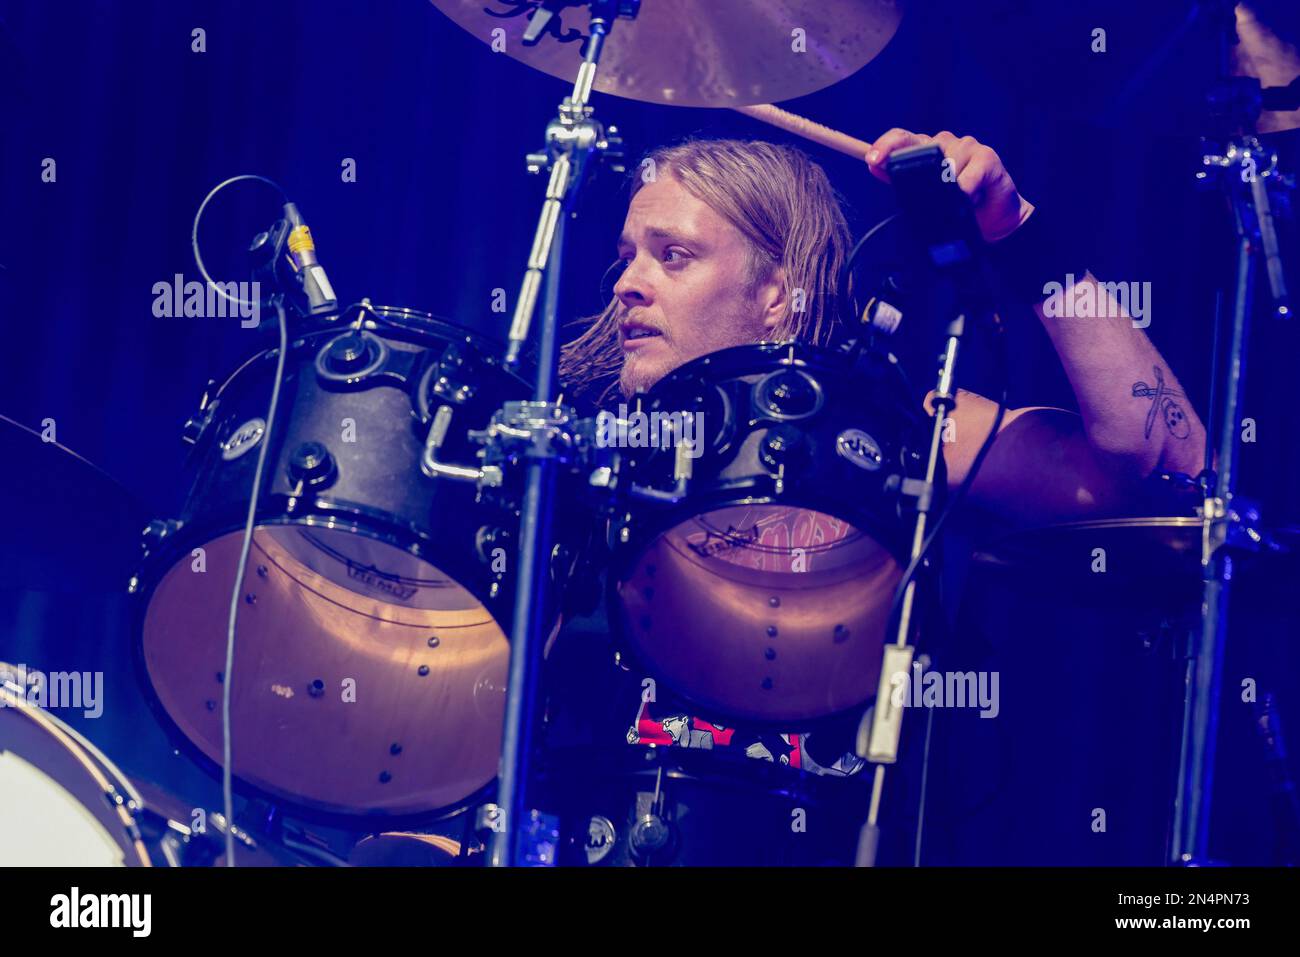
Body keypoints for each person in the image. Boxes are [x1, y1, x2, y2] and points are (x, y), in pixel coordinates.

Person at [544, 130, 1209, 864]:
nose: (627, 283)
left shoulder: (902, 433)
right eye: (627, 256)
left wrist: (1020, 232)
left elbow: (1161, 463)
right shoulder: (586, 463)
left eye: (672, 254)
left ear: (776, 294)